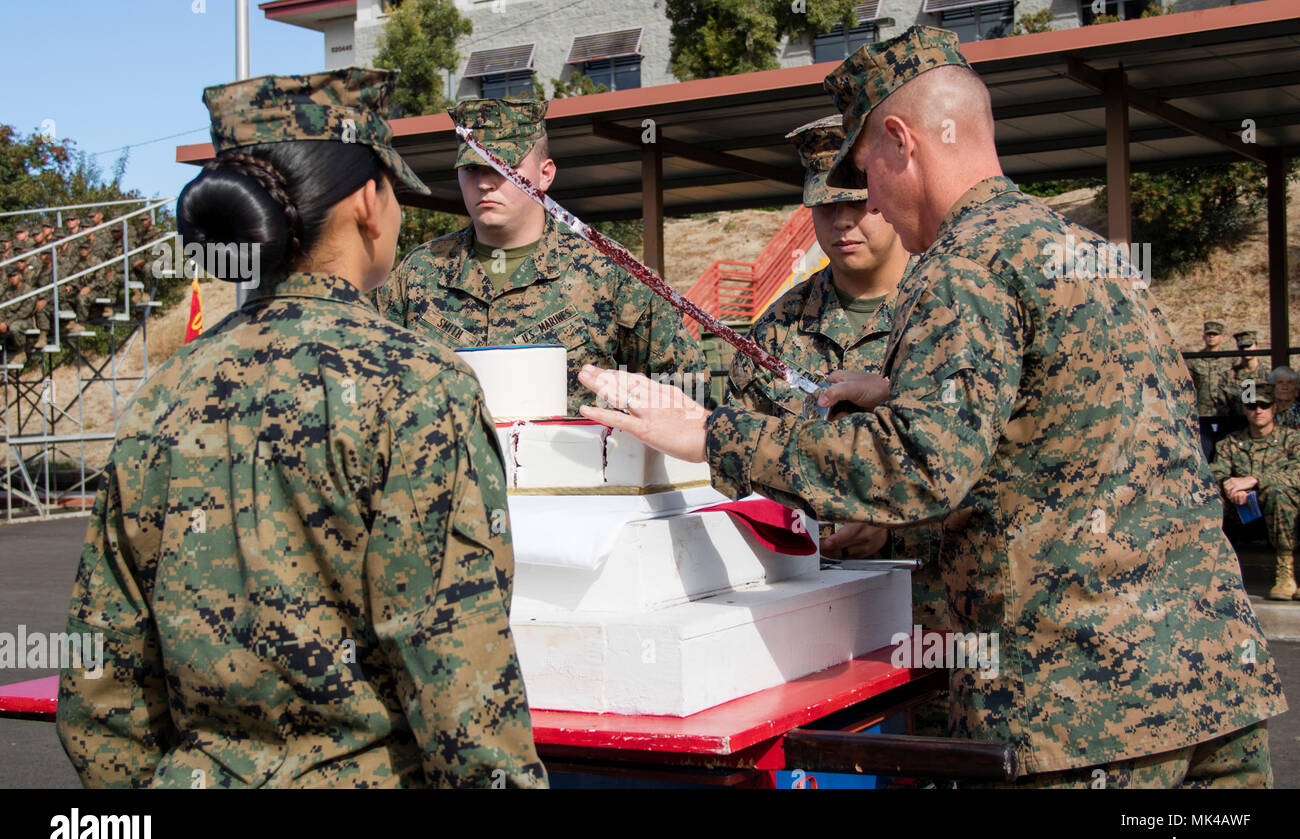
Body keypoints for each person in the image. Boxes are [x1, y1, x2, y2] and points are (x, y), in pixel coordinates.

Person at [576, 26, 1286, 787]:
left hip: (1088, 714)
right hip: (1215, 688)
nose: (866, 199)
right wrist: (900, 394)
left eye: (863, 171)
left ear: (899, 142)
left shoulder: (961, 268)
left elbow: (918, 471)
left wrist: (711, 433)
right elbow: (1093, 414)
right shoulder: (1081, 250)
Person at [55, 67, 547, 789]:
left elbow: (101, 695)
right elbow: (464, 699)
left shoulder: (163, 397)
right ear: (366, 203)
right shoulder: (416, 387)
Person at [725, 114, 947, 628]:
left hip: (938, 611)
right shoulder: (776, 330)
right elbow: (741, 466)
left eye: (856, 201)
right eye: (826, 207)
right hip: (809, 610)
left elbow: (994, 462)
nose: (842, 221)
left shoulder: (948, 308)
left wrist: (893, 527)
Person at [372, 96, 707, 414]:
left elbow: (687, 389)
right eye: (472, 168)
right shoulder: (419, 273)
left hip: (573, 471)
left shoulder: (609, 271)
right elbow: (372, 384)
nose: (486, 183)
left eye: (503, 166)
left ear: (545, 174)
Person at [1211, 383, 1300, 601]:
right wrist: (1229, 485)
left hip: (1283, 509)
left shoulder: (1292, 440)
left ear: (1274, 408)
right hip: (1241, 509)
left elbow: (1297, 473)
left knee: (1278, 493)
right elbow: (1216, 472)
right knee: (1208, 499)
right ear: (1244, 409)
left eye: (1263, 405)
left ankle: (1285, 573)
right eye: (1252, 406)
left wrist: (1255, 481)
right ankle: (1211, 571)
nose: (1258, 410)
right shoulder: (1230, 443)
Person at [1188, 320, 1233, 460]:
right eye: (1209, 334)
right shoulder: (1195, 360)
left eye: (1215, 334)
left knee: (1225, 451)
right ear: (1204, 337)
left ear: (1221, 337)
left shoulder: (1231, 360)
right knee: (1205, 451)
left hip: (1226, 414)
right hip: (1203, 415)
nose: (1212, 337)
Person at [1220, 330, 1271, 418]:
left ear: (1257, 347)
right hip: (1236, 423)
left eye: (1248, 346)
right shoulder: (1228, 376)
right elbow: (1222, 406)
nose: (1245, 349)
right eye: (1242, 347)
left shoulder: (1268, 374)